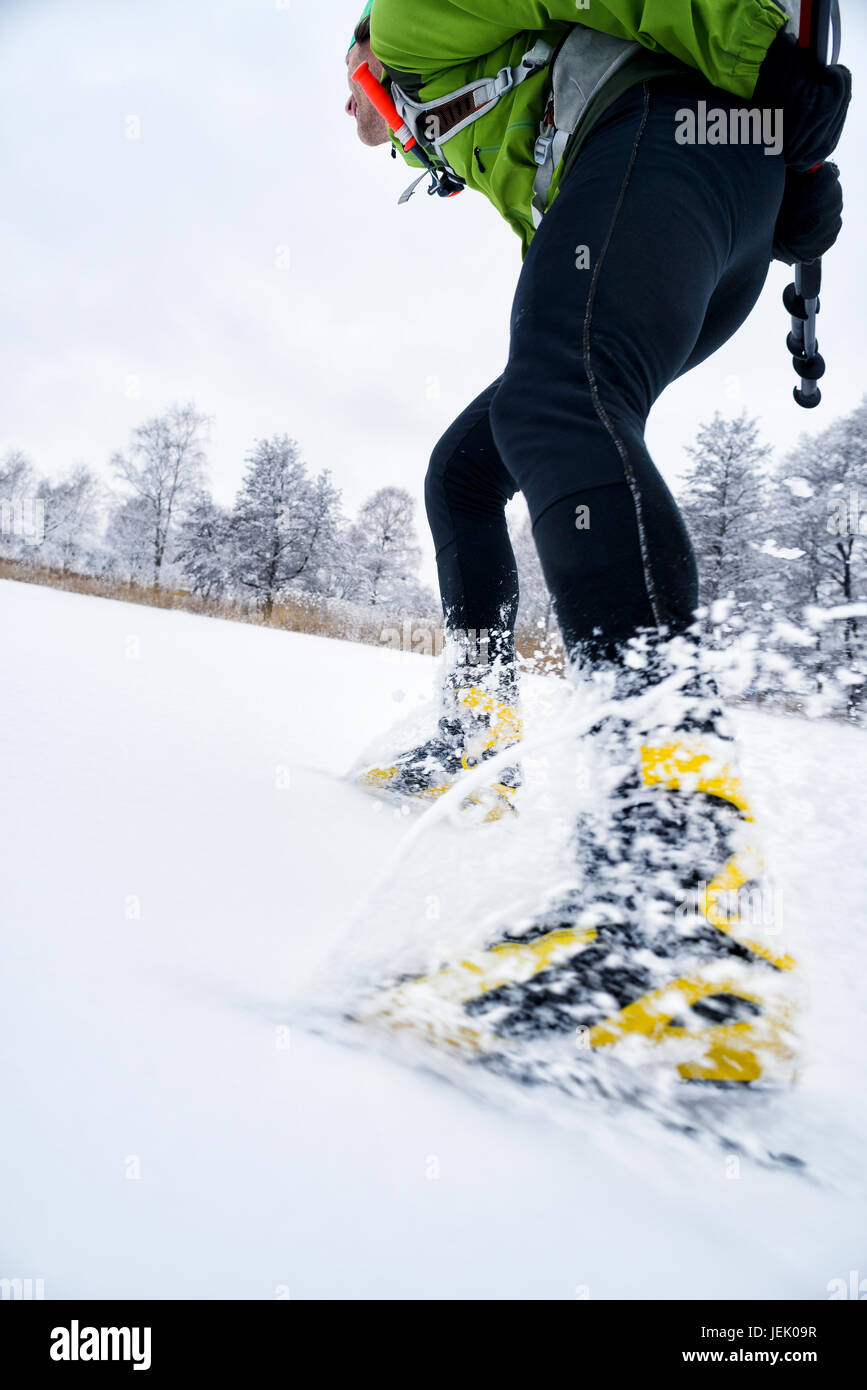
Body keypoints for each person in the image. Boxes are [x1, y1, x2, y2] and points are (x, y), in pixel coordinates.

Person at [343, 3, 850, 1076]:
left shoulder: (407, 28)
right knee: (469, 468)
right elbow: (582, 225)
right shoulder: (475, 132)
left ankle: (674, 905)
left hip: (684, 134)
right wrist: (785, 177)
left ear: (362, 64)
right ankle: (480, 730)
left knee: (562, 402)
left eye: (348, 97)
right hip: (713, 194)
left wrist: (756, 63)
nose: (350, 114)